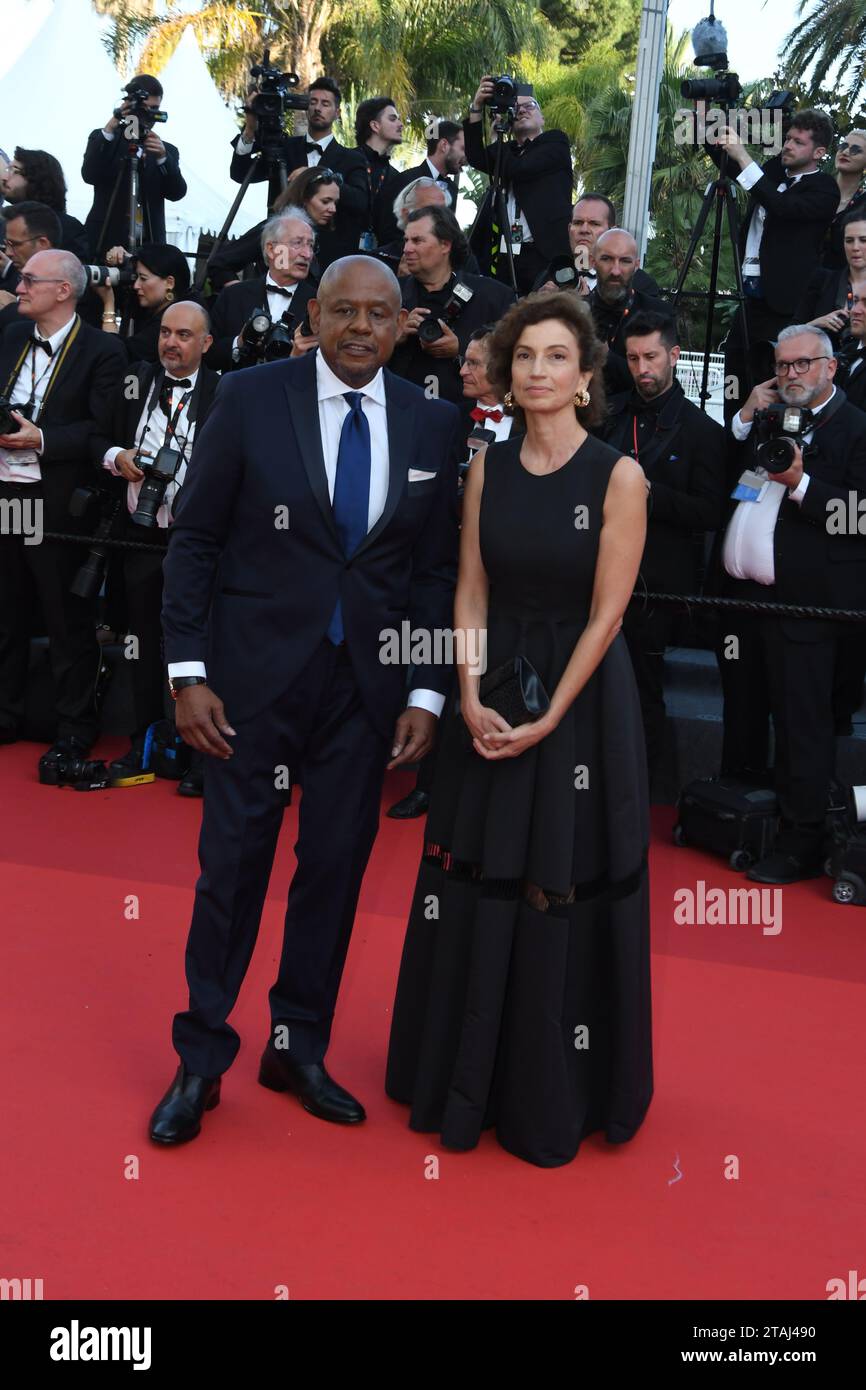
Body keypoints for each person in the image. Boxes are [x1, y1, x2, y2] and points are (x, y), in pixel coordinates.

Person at [148, 257, 461, 1145]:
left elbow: (433, 572)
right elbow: (195, 541)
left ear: (401, 325)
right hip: (249, 687)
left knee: (334, 870)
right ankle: (201, 1060)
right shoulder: (250, 398)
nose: (361, 328)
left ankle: (296, 1048)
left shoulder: (432, 421)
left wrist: (427, 688)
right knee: (232, 871)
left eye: (379, 314)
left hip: (366, 693)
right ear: (314, 315)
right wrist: (186, 675)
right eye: (344, 311)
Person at [385, 290, 652, 1167]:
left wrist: (550, 720)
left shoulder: (618, 476)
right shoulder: (487, 466)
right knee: (477, 867)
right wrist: (467, 693)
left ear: (585, 377)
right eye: (526, 356)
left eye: (556, 357)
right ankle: (465, 1071)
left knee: (554, 877)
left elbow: (608, 617)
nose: (538, 371)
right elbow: (470, 590)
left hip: (580, 703)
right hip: (492, 686)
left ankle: (547, 1090)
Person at [713, 325, 866, 883]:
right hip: (746, 602)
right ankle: (739, 818)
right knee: (744, 711)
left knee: (802, 726)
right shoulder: (773, 418)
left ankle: (801, 841)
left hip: (807, 609)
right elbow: (731, 480)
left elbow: (861, 517)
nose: (791, 374)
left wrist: (801, 484)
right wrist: (747, 417)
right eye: (782, 365)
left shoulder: (856, 429)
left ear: (830, 367)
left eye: (802, 364)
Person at [386, 323, 516, 822]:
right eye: (464, 361)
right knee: (437, 665)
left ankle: (488, 792)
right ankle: (428, 783)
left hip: (503, 578)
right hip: (443, 568)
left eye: (474, 363)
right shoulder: (447, 420)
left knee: (490, 680)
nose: (462, 370)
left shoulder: (534, 427)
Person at [0, 249, 125, 764]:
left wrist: (43, 439)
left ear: (63, 290)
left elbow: (101, 430)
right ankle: (5, 714)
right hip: (5, 494)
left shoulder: (102, 351)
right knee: (5, 609)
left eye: (30, 279)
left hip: (53, 502)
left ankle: (75, 725)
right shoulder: (10, 335)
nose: (19, 287)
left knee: (64, 615)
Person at [596, 310, 727, 784]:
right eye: (632, 359)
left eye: (650, 357)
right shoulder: (609, 415)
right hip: (596, 570)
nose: (641, 368)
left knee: (641, 688)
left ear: (673, 355)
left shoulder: (702, 431)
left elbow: (711, 513)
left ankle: (646, 787)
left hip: (655, 585)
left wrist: (651, 496)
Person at [98, 301, 219, 797]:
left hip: (200, 540)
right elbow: (95, 435)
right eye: (166, 332)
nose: (171, 342)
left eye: (184, 335)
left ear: (206, 343)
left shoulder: (224, 391)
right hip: (141, 535)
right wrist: (117, 456)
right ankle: (144, 739)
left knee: (202, 645)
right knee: (142, 642)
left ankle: (201, 754)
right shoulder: (136, 380)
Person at [707, 109, 837, 418]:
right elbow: (732, 165)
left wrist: (744, 156)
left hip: (785, 307)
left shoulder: (824, 189)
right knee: (734, 374)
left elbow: (781, 206)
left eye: (798, 142)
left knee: (774, 383)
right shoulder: (773, 173)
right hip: (749, 299)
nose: (788, 145)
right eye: (788, 138)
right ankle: (732, 429)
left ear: (818, 152)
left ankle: (769, 442)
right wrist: (707, 120)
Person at [390, 206, 515, 405]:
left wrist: (462, 350)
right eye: (406, 240)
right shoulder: (389, 295)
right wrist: (393, 336)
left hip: (470, 414)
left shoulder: (494, 297)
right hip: (400, 409)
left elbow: (513, 357)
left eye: (417, 240)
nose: (407, 249)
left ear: (445, 245)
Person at [229, 76, 368, 250]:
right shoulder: (283, 148)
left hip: (331, 254)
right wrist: (250, 129)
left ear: (337, 113)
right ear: (305, 107)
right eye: (313, 102)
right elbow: (240, 173)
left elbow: (360, 202)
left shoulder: (352, 158)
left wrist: (319, 175)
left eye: (325, 104)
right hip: (283, 252)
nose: (317, 108)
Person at [463, 78, 573, 294]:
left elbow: (521, 169)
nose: (522, 110)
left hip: (544, 252)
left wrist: (497, 142)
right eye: (515, 108)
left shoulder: (555, 142)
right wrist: (476, 108)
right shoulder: (508, 152)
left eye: (529, 106)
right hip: (509, 251)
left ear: (542, 117)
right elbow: (475, 157)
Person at [81, 75, 187, 257]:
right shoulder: (107, 139)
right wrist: (112, 125)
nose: (150, 116)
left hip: (149, 245)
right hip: (104, 240)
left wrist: (163, 158)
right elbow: (89, 175)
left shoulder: (166, 150)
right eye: (145, 109)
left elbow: (177, 193)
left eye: (155, 109)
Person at [206, 210, 316, 372]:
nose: (307, 254)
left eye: (311, 245)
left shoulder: (319, 303)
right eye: (297, 243)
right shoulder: (233, 296)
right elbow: (208, 355)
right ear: (271, 249)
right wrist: (239, 342)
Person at [587, 228, 673, 392]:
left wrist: (606, 356)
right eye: (606, 259)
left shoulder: (659, 313)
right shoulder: (575, 312)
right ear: (593, 262)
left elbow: (660, 380)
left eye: (625, 261)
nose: (615, 271)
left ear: (636, 266)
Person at [532, 194, 660, 298]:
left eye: (594, 224)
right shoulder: (548, 276)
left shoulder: (640, 284)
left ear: (612, 231)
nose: (584, 230)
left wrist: (583, 304)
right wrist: (539, 305)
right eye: (578, 222)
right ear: (569, 229)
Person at [94, 241, 195, 364]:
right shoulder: (166, 308)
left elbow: (114, 355)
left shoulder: (173, 323)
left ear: (169, 283)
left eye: (143, 278)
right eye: (136, 277)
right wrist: (122, 260)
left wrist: (108, 305)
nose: (136, 285)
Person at [381, 119, 465, 245]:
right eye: (463, 149)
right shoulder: (405, 180)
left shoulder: (452, 189)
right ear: (444, 145)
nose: (466, 156)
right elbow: (387, 231)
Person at [1, 146, 88, 258]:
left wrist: (9, 267)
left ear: (36, 177)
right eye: (8, 170)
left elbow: (72, 267)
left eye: (15, 170)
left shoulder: (68, 228)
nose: (5, 177)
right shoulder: (4, 221)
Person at [0, 202, 63, 329]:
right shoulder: (12, 281)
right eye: (7, 244)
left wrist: (12, 309)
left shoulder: (66, 288)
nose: (8, 253)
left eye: (15, 244)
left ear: (42, 243)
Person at [353, 96, 405, 248]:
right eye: (393, 119)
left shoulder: (396, 176)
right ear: (375, 126)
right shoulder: (345, 159)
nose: (400, 125)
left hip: (379, 256)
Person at [273, 165, 343, 272]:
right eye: (325, 201)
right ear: (305, 198)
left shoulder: (327, 236)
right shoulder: (277, 229)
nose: (333, 209)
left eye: (335, 203)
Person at [823, 130, 866, 270]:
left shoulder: (863, 204)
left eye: (856, 150)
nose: (846, 152)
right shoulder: (816, 189)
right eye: (843, 146)